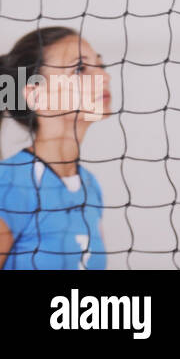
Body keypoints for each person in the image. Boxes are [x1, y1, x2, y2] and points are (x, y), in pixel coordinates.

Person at [0, 27, 112, 269]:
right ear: (36, 95)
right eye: (80, 69)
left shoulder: (89, 185)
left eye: (100, 66)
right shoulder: (8, 184)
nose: (104, 77)